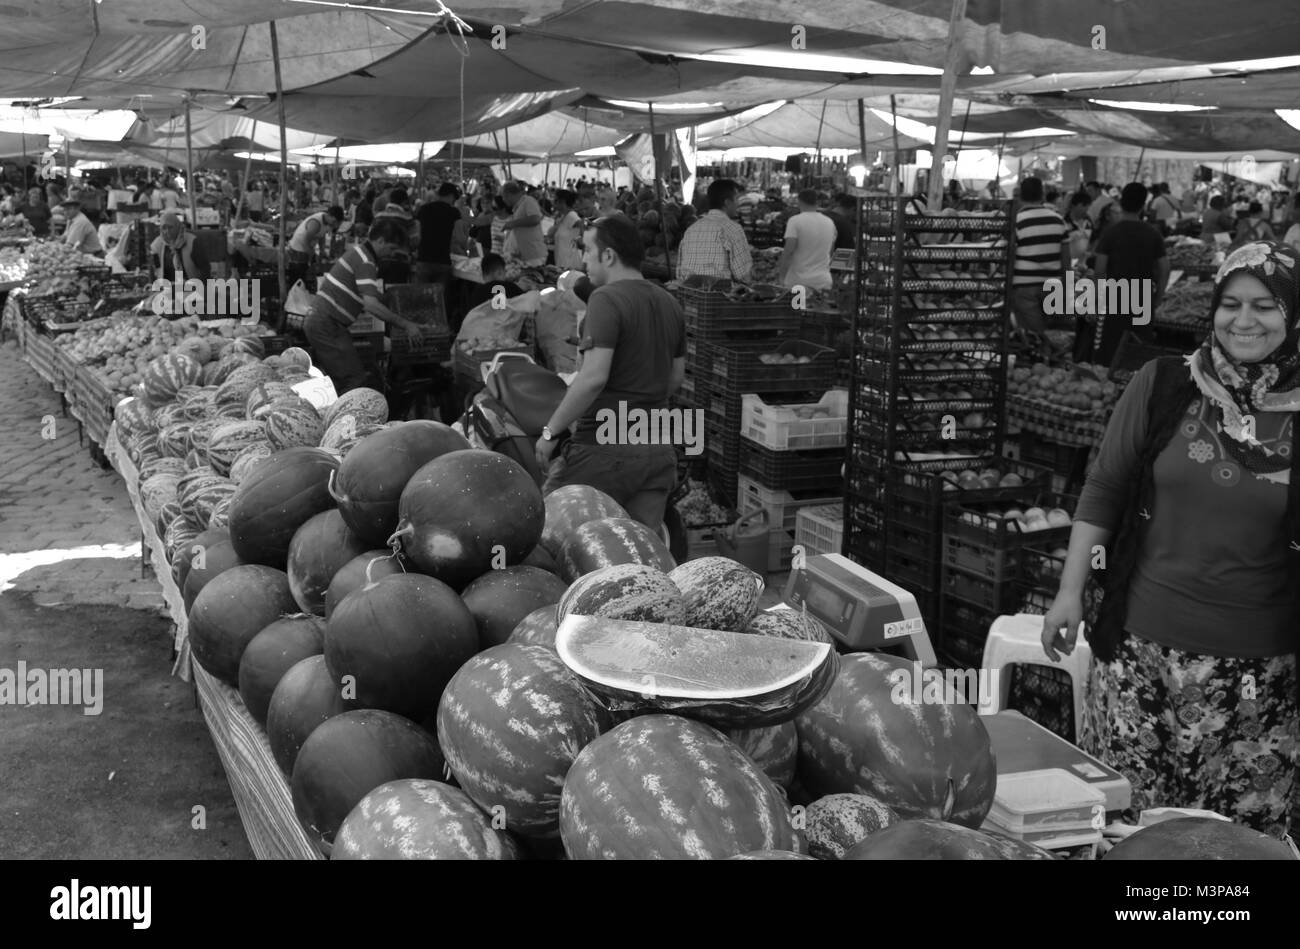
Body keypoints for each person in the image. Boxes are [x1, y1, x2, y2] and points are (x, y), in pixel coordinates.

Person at [1042, 239, 1300, 839]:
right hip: (1140, 660)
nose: (1243, 320)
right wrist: (1070, 592)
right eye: (1230, 303)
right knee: (1130, 837)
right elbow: (1104, 487)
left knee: (1233, 848)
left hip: (1262, 679)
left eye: (1264, 306)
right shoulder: (1165, 385)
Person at [535, 215, 684, 533]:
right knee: (639, 550)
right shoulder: (669, 302)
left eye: (588, 250)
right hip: (658, 450)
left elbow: (593, 378)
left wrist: (551, 433)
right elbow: (674, 380)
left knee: (552, 537)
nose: (583, 259)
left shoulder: (606, 298)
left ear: (609, 255)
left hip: (605, 453)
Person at [303, 218, 428, 393]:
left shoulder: (360, 254)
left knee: (347, 379)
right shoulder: (365, 261)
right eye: (391, 248)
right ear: (380, 241)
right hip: (326, 323)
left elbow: (368, 295)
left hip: (326, 322)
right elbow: (371, 305)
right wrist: (406, 325)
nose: (391, 254)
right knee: (354, 379)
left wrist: (390, 299)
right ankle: (343, 418)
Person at [1084, 183, 1169, 365]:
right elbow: (1164, 268)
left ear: (1121, 204)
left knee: (1110, 349)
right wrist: (1159, 297)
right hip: (1143, 297)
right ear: (1142, 206)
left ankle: (1110, 387)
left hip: (1114, 298)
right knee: (1138, 350)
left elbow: (1100, 270)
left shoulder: (1111, 233)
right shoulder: (1152, 233)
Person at [1011, 177, 1069, 356]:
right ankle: (1049, 368)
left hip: (1024, 287)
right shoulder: (1059, 221)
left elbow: (1011, 256)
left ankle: (1036, 368)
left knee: (1033, 337)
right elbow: (1066, 260)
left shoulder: (1017, 221)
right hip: (1052, 285)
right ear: (1042, 195)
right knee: (1050, 335)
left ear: (1020, 196)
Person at [676, 179, 752, 283]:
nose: (738, 204)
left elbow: (679, 272)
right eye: (736, 199)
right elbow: (743, 275)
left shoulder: (691, 229)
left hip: (690, 293)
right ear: (727, 202)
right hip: (718, 296)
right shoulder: (732, 229)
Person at [776, 188, 836, 291]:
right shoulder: (829, 222)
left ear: (799, 202)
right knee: (819, 307)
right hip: (823, 281)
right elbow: (830, 251)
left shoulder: (795, 221)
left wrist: (782, 277)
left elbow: (789, 251)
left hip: (798, 282)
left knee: (798, 307)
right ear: (817, 203)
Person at [414, 182, 461, 286]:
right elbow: (457, 237)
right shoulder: (454, 212)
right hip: (443, 260)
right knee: (440, 299)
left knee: (421, 297)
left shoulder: (423, 209)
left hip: (423, 259)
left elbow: (417, 234)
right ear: (451, 196)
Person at [287, 205, 344, 284]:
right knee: (299, 274)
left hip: (307, 247)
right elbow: (305, 240)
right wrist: (310, 254)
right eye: (334, 221)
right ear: (330, 215)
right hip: (298, 249)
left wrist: (322, 251)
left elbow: (322, 236)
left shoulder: (327, 221)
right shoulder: (315, 222)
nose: (334, 224)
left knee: (306, 271)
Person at [151, 209, 211, 282]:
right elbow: (156, 269)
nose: (167, 231)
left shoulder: (193, 242)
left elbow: (205, 270)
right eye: (164, 228)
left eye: (170, 227)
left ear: (178, 227)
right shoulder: (156, 245)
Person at [500, 181, 546, 268]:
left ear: (509, 194)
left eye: (503, 196)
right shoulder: (518, 206)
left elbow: (535, 219)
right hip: (522, 256)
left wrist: (512, 223)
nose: (503, 200)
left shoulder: (528, 201)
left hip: (533, 255)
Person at [551, 188, 583, 271]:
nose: (553, 202)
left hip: (569, 263)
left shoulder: (571, 215)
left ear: (562, 202)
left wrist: (581, 242)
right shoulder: (562, 216)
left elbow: (581, 225)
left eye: (555, 200)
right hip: (562, 262)